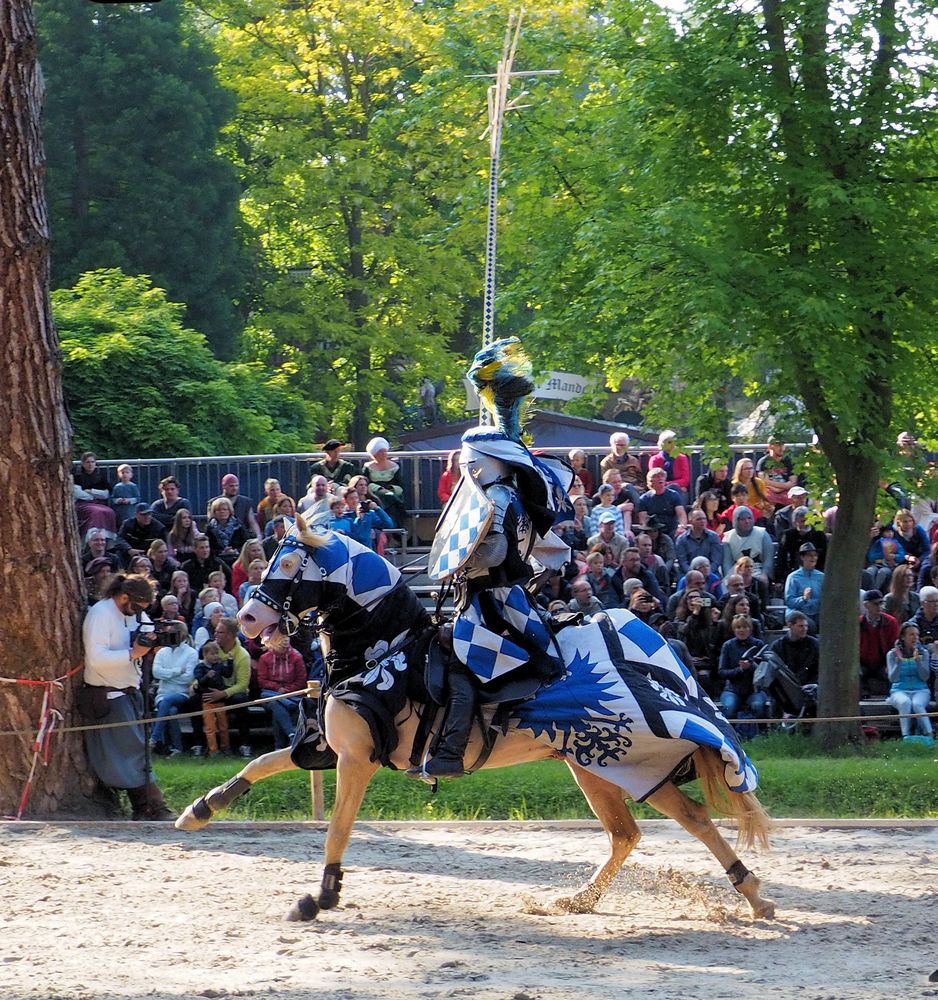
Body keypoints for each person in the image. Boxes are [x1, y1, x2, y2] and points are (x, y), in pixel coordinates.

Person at [80, 573, 174, 820]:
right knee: (134, 753)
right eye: (136, 606)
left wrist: (152, 642)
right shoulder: (100, 614)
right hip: (109, 695)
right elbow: (96, 659)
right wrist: (133, 653)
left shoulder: (135, 613)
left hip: (131, 691)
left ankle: (144, 807)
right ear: (123, 597)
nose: (139, 612)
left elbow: (146, 631)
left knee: (137, 751)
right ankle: (153, 805)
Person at [150, 622, 198, 756]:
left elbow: (188, 678)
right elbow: (156, 672)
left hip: (181, 693)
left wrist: (167, 675)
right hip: (163, 693)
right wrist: (177, 671)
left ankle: (154, 738)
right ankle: (177, 748)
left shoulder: (191, 653)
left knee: (167, 701)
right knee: (170, 710)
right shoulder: (162, 652)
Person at [717, 615, 768, 738]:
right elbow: (722, 672)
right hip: (733, 689)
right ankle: (731, 737)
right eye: (738, 627)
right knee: (729, 707)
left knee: (758, 705)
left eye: (745, 627)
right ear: (734, 629)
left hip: (754, 689)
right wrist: (739, 670)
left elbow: (764, 670)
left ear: (750, 629)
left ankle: (763, 736)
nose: (741, 630)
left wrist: (751, 666)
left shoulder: (758, 644)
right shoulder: (728, 646)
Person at [256, 631, 307, 750]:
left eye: (286, 638)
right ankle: (291, 734)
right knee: (274, 701)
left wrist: (287, 690)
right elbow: (262, 680)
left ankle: (279, 746)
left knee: (277, 706)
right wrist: (278, 688)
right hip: (271, 694)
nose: (284, 642)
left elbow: (301, 680)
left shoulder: (297, 657)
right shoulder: (264, 658)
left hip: (291, 694)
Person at [886, 623, 934, 741]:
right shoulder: (892, 654)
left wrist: (918, 662)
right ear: (903, 637)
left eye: (917, 635)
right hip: (899, 690)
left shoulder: (924, 653)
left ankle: (930, 734)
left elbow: (925, 677)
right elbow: (893, 679)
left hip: (920, 690)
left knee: (917, 704)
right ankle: (906, 736)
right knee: (905, 703)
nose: (915, 638)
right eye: (911, 634)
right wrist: (898, 664)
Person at [191, 640, 234, 756]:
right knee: (210, 727)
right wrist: (207, 676)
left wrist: (230, 661)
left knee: (223, 726)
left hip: (220, 701)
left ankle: (226, 747)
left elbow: (228, 673)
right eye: (212, 654)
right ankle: (213, 750)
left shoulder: (218, 666)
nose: (216, 656)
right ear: (205, 655)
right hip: (207, 701)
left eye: (217, 653)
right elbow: (200, 681)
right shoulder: (200, 667)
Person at [859, 589, 900, 697]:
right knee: (857, 673)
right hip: (863, 662)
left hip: (883, 662)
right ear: (866, 605)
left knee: (891, 674)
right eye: (875, 604)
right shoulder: (857, 623)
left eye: (881, 603)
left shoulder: (891, 622)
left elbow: (894, 645)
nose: (879, 607)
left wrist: (889, 663)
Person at [363, 437, 408, 529]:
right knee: (387, 497)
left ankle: (395, 527)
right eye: (380, 452)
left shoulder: (394, 467)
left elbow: (400, 484)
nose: (383, 454)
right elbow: (365, 481)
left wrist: (391, 489)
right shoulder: (368, 467)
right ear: (374, 454)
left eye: (384, 451)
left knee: (390, 498)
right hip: (374, 492)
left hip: (391, 491)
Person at [721, 507, 774, 586]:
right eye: (743, 519)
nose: (747, 521)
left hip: (757, 569)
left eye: (749, 518)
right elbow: (727, 563)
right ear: (736, 521)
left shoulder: (762, 534)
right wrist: (730, 578)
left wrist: (764, 574)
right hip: (737, 571)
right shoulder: (728, 538)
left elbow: (768, 559)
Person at [72, 451, 117, 536]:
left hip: (99, 503)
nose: (90, 464)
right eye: (87, 462)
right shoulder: (77, 476)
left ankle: (107, 540)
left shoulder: (100, 477)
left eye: (92, 462)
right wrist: (94, 496)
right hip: (82, 503)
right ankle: (91, 538)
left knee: (110, 512)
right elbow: (78, 493)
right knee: (96, 512)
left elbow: (106, 494)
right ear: (83, 463)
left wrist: (91, 491)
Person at [769, 611, 819, 686]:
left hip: (810, 687)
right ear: (790, 625)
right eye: (801, 626)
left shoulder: (813, 644)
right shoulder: (778, 646)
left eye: (806, 626)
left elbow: (818, 670)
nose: (805, 629)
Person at [206, 473, 262, 540]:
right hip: (219, 538)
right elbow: (211, 522)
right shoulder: (213, 503)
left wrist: (258, 536)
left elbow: (252, 522)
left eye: (236, 485)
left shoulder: (246, 502)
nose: (234, 488)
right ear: (224, 486)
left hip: (241, 537)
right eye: (231, 486)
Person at [784, 542, 824, 632]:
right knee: (809, 625)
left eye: (815, 555)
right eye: (810, 555)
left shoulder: (822, 577)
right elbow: (789, 601)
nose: (813, 558)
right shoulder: (793, 577)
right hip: (799, 613)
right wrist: (803, 599)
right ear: (802, 557)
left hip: (818, 612)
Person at [636, 468, 687, 538]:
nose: (660, 478)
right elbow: (643, 520)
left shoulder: (674, 495)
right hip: (653, 530)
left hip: (671, 529)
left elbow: (681, 514)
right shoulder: (644, 499)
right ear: (650, 481)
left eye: (662, 476)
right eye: (657, 476)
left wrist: (682, 526)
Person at [676, 508, 723, 575]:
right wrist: (694, 574)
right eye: (699, 519)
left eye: (704, 518)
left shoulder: (714, 537)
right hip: (689, 574)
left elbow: (716, 561)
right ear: (691, 521)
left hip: (710, 573)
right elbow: (683, 563)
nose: (702, 521)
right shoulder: (681, 540)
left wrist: (707, 573)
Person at [648, 430, 690, 502]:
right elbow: (655, 480)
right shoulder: (655, 459)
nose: (673, 445)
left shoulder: (682, 458)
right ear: (662, 443)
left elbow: (685, 480)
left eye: (675, 442)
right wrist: (671, 485)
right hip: (659, 491)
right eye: (669, 442)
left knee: (674, 488)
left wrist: (668, 484)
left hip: (678, 491)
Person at [756, 439, 800, 508]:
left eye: (782, 445)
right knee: (766, 499)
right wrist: (785, 485)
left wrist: (778, 488)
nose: (781, 448)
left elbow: (793, 482)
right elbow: (764, 482)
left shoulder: (789, 461)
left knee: (795, 499)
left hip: (786, 492)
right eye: (778, 445)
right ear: (770, 446)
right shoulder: (763, 462)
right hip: (770, 493)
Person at [205, 496, 249, 564]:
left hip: (237, 558)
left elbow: (246, 543)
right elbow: (208, 546)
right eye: (218, 510)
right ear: (214, 512)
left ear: (230, 511)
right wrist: (221, 552)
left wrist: (235, 551)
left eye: (225, 509)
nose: (222, 512)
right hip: (217, 559)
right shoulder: (210, 527)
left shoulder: (239, 525)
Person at [730, 458, 774, 524]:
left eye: (751, 468)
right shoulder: (734, 484)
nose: (749, 471)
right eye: (746, 469)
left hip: (759, 514)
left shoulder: (759, 482)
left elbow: (765, 500)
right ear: (740, 471)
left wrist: (766, 506)